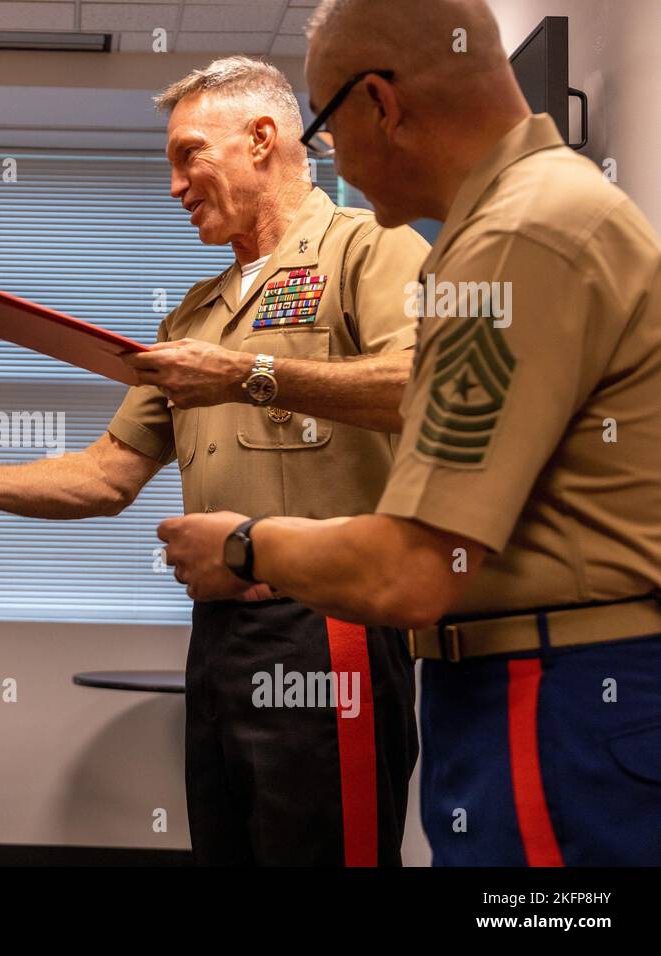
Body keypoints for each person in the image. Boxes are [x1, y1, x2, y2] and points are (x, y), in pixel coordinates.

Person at [0, 57, 430, 865]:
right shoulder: (195, 315)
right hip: (219, 633)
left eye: (188, 156)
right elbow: (108, 473)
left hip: (331, 628)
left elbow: (422, 386)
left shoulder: (371, 247)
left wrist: (246, 374)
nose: (174, 186)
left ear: (261, 138)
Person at [160, 0, 661, 865]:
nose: (331, 153)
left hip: (559, 692)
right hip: (522, 683)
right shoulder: (512, 225)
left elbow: (418, 567)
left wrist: (242, 547)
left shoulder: (519, 234)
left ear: (380, 103)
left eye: (325, 121)